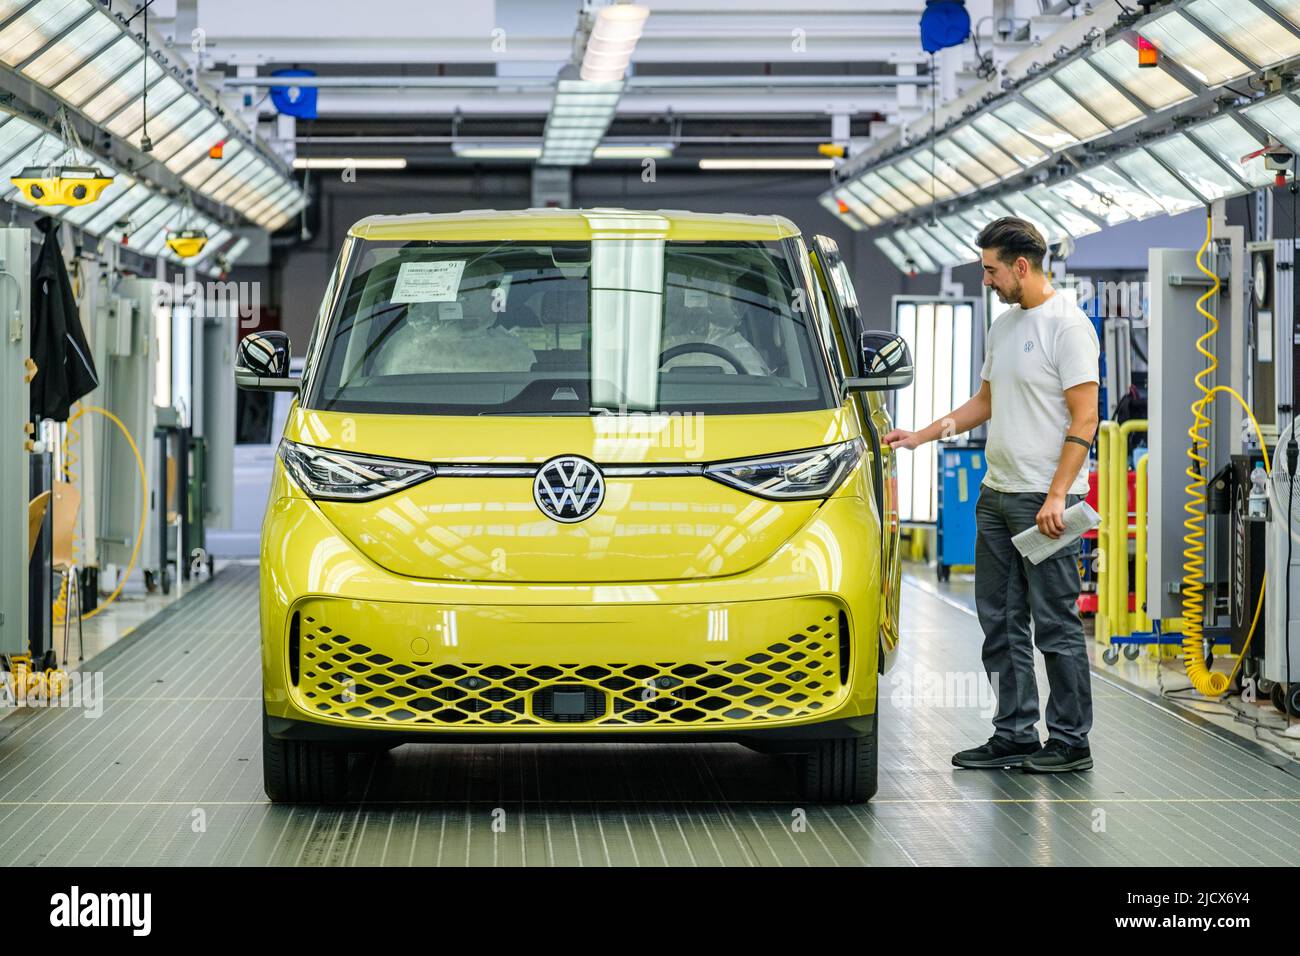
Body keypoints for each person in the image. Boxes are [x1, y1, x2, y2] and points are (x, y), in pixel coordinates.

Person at [883, 217, 1100, 773]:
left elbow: (1086, 417)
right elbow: (984, 402)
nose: (986, 280)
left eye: (991, 270)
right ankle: (1015, 732)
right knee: (1000, 622)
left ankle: (1071, 740)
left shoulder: (1068, 327)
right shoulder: (1002, 328)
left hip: (1045, 502)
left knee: (1054, 623)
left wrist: (1057, 496)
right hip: (996, 494)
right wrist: (921, 435)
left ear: (1020, 267)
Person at [374, 262, 536, 375]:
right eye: (485, 288)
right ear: (458, 296)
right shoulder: (509, 352)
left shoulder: (401, 349)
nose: (491, 296)